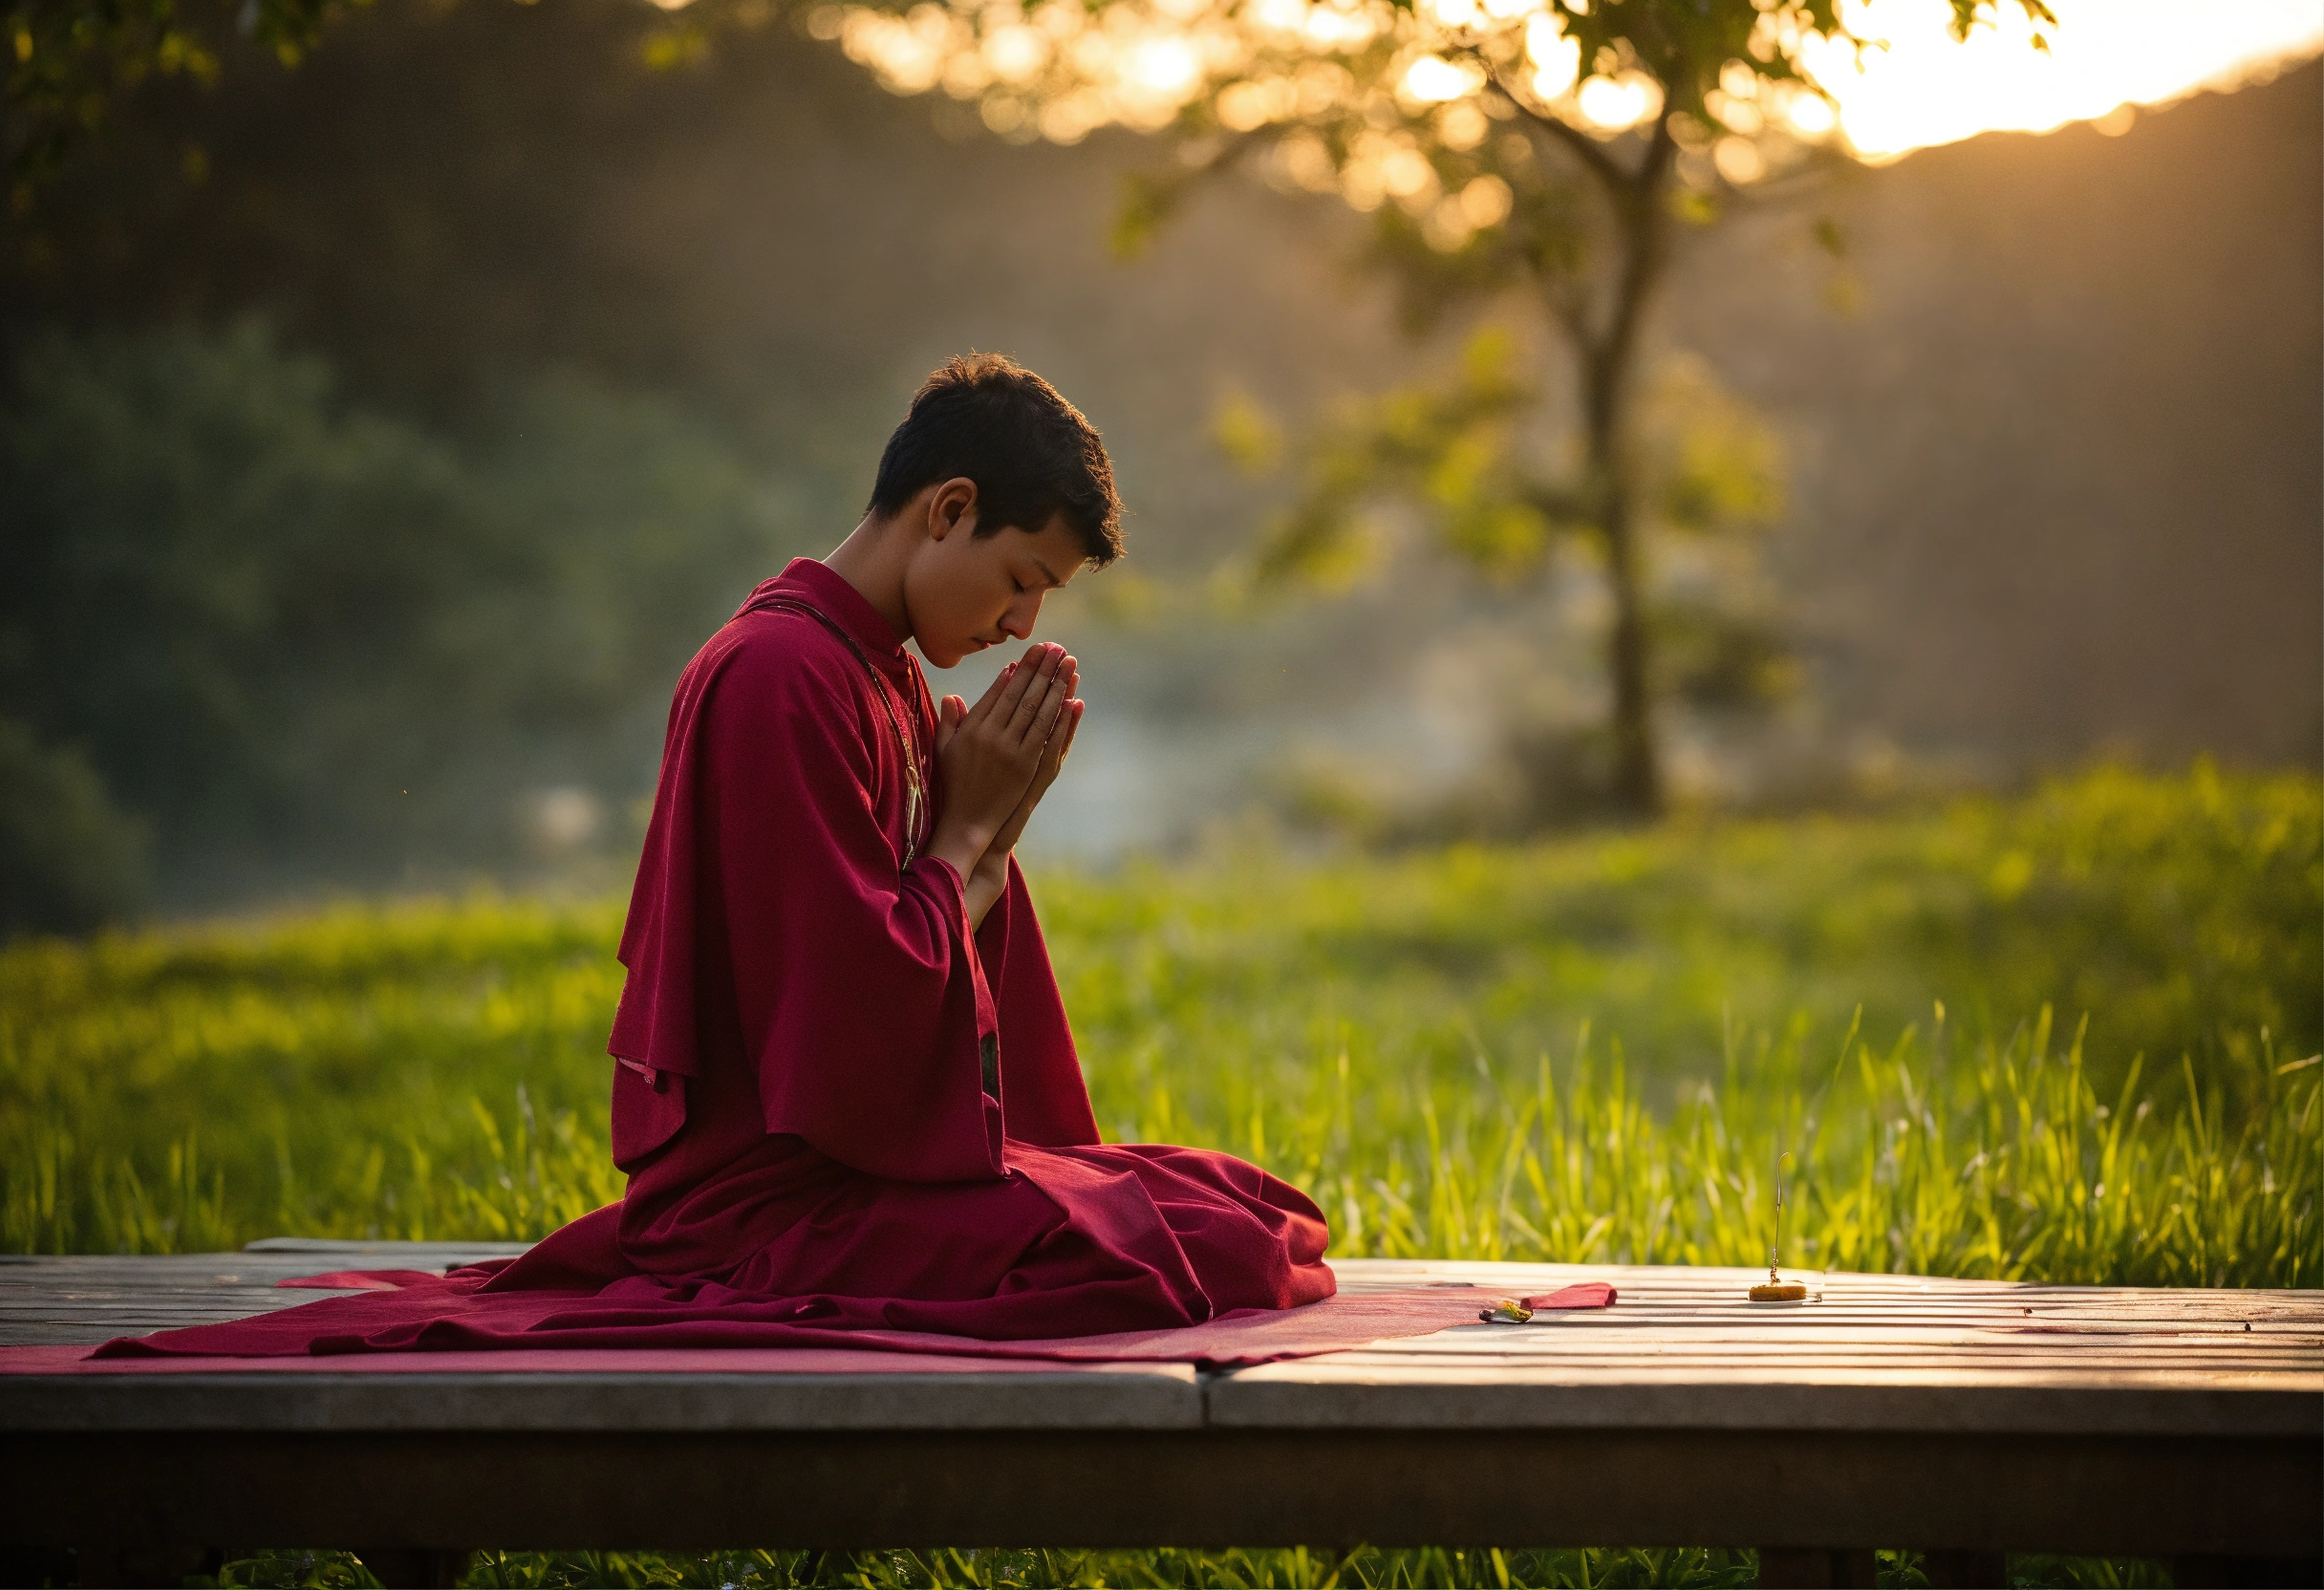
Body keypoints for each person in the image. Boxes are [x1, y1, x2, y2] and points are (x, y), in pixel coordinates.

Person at [457, 353, 1336, 1338]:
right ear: (949, 508)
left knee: (1254, 1209)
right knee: (1185, 1248)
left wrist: (993, 833)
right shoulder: (775, 675)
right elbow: (847, 1018)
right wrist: (968, 836)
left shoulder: (889, 678)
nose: (1018, 623)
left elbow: (927, 937)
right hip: (764, 1204)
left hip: (865, 1169)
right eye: (1019, 579)